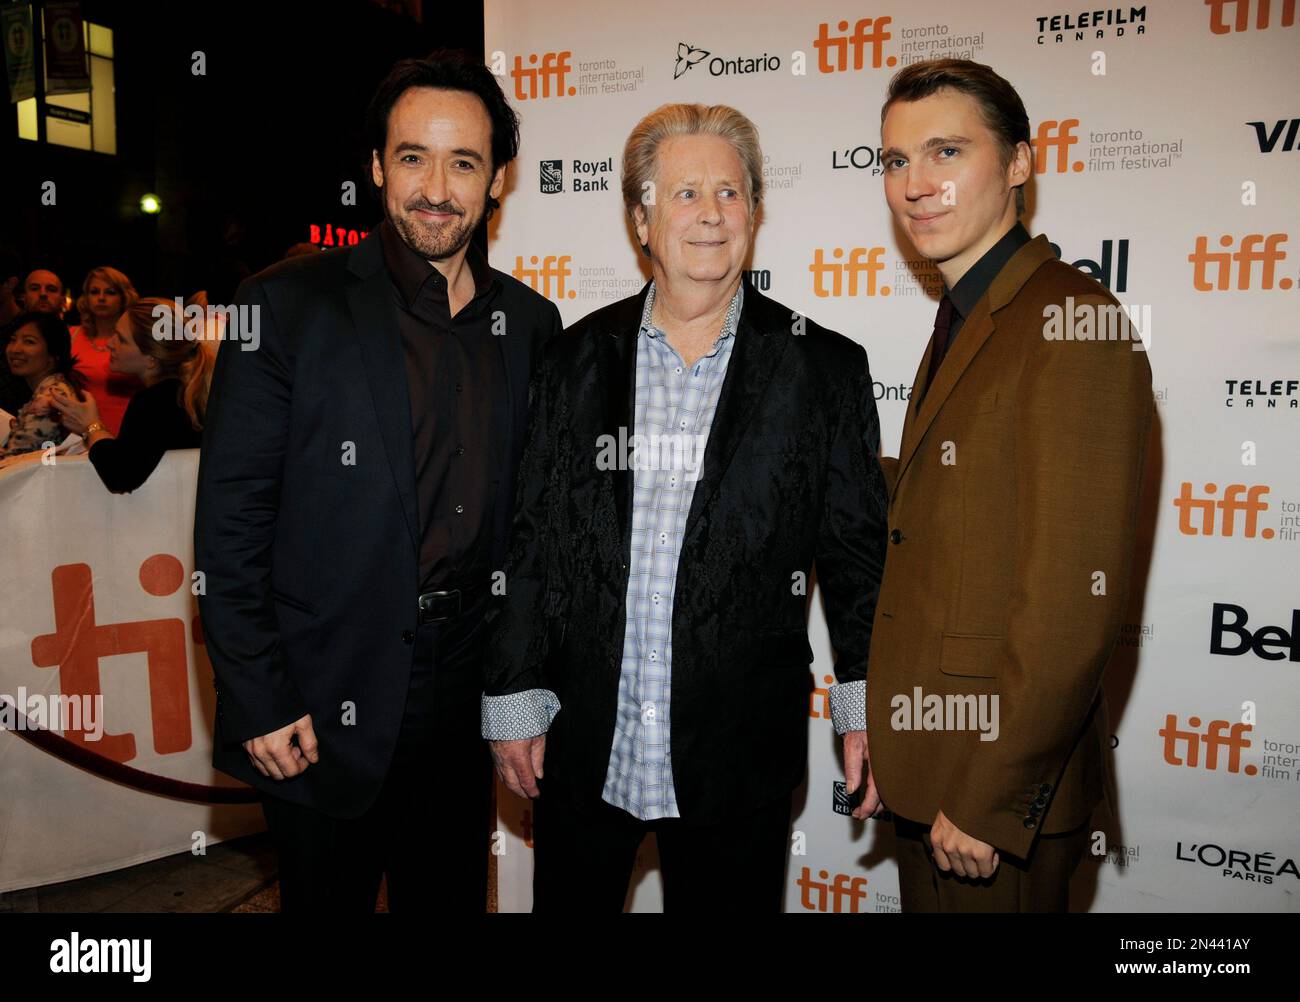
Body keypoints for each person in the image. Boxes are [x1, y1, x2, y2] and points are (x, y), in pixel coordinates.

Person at [482, 103, 889, 913]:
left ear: (755, 213)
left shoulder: (825, 370)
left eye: (731, 193)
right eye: (685, 193)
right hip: (585, 742)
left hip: (738, 758)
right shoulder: (571, 361)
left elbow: (856, 557)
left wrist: (865, 707)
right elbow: (534, 538)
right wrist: (514, 691)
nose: (711, 213)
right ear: (641, 218)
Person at [194, 50, 562, 914]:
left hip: (465, 700)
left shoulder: (531, 324)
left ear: (497, 178)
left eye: (463, 162)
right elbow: (231, 527)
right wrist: (259, 697)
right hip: (318, 704)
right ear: (374, 167)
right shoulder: (284, 305)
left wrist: (521, 692)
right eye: (412, 157)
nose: (436, 187)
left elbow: (538, 528)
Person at [865, 58, 1153, 912]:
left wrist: (993, 797)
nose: (915, 184)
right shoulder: (971, 314)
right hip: (935, 771)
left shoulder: (1074, 323)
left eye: (946, 152)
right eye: (894, 160)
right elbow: (955, 509)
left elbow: (1073, 599)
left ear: (1021, 163)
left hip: (989, 801)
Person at [51, 298, 211, 493]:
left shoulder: (157, 401)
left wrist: (93, 426)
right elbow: (136, 453)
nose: (110, 343)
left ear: (151, 359)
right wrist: (89, 430)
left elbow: (120, 476)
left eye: (121, 338)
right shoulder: (186, 393)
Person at [0, 312, 86, 460]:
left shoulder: (51, 397)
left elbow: (12, 460)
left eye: (29, 342)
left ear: (53, 354)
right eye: (13, 340)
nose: (15, 349)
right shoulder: (53, 387)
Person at [70, 266, 144, 435]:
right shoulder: (72, 336)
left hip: (128, 428)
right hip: (78, 432)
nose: (101, 298)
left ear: (124, 298)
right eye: (95, 292)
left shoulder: (137, 338)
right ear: (86, 298)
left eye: (110, 292)